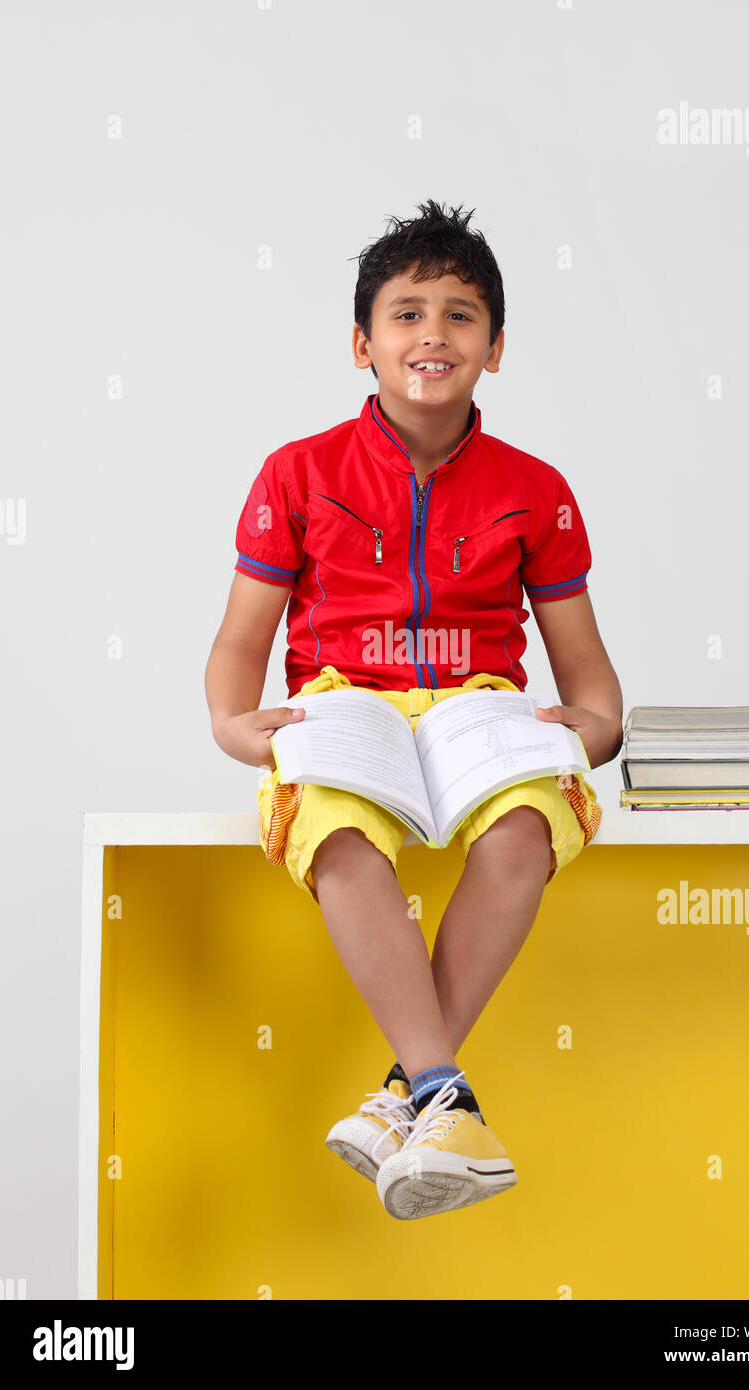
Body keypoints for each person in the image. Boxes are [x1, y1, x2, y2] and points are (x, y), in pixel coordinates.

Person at [204, 199, 623, 1221]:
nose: (432, 333)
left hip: (477, 708)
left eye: (459, 314)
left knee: (523, 831)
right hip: (342, 701)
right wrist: (231, 721)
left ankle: (411, 1094)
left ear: (494, 346)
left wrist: (596, 726)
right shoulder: (296, 474)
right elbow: (239, 643)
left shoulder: (537, 489)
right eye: (405, 313)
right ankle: (440, 1091)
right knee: (337, 834)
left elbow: (584, 671)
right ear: (363, 344)